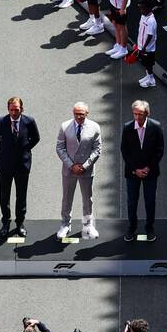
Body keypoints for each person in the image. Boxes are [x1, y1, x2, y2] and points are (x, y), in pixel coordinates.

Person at [0, 96, 40, 239]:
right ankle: (5, 223)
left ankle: (20, 223)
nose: (14, 112)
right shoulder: (1, 121)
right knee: (4, 196)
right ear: (8, 109)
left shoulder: (29, 121)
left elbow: (36, 138)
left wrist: (25, 150)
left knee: (21, 196)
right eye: (11, 110)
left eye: (17, 109)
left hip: (22, 165)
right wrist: (7, 149)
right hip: (4, 165)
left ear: (22, 109)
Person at [56, 102, 102, 240]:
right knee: (67, 199)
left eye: (82, 114)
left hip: (86, 171)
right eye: (76, 114)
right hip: (69, 171)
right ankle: (65, 225)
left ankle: (88, 225)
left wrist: (85, 166)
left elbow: (98, 149)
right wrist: (72, 165)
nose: (79, 116)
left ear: (87, 113)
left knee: (88, 200)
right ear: (73, 113)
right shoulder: (65, 126)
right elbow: (60, 148)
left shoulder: (95, 127)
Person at [120, 100, 164, 243]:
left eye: (140, 114)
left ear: (147, 113)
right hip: (132, 173)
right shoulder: (127, 127)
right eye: (135, 114)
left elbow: (159, 151)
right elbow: (124, 150)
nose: (138, 118)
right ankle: (132, 228)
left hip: (150, 172)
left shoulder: (155, 127)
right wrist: (135, 169)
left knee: (150, 202)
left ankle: (149, 228)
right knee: (132, 202)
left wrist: (147, 168)